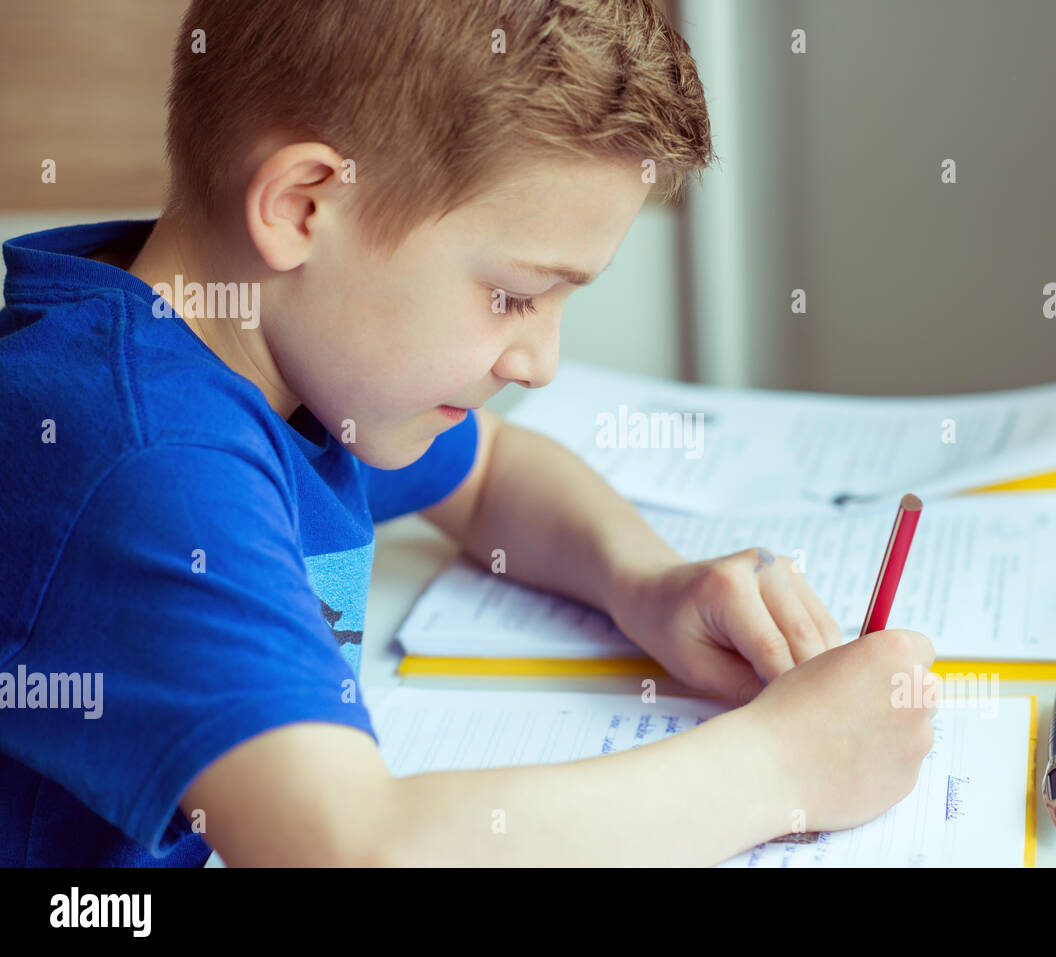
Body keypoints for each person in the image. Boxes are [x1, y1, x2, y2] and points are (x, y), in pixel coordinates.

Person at [0, 0, 935, 866]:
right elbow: (353, 850)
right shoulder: (149, 466)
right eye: (515, 296)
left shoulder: (280, 359)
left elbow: (488, 476)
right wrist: (782, 768)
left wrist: (643, 581)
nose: (540, 361)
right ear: (301, 208)